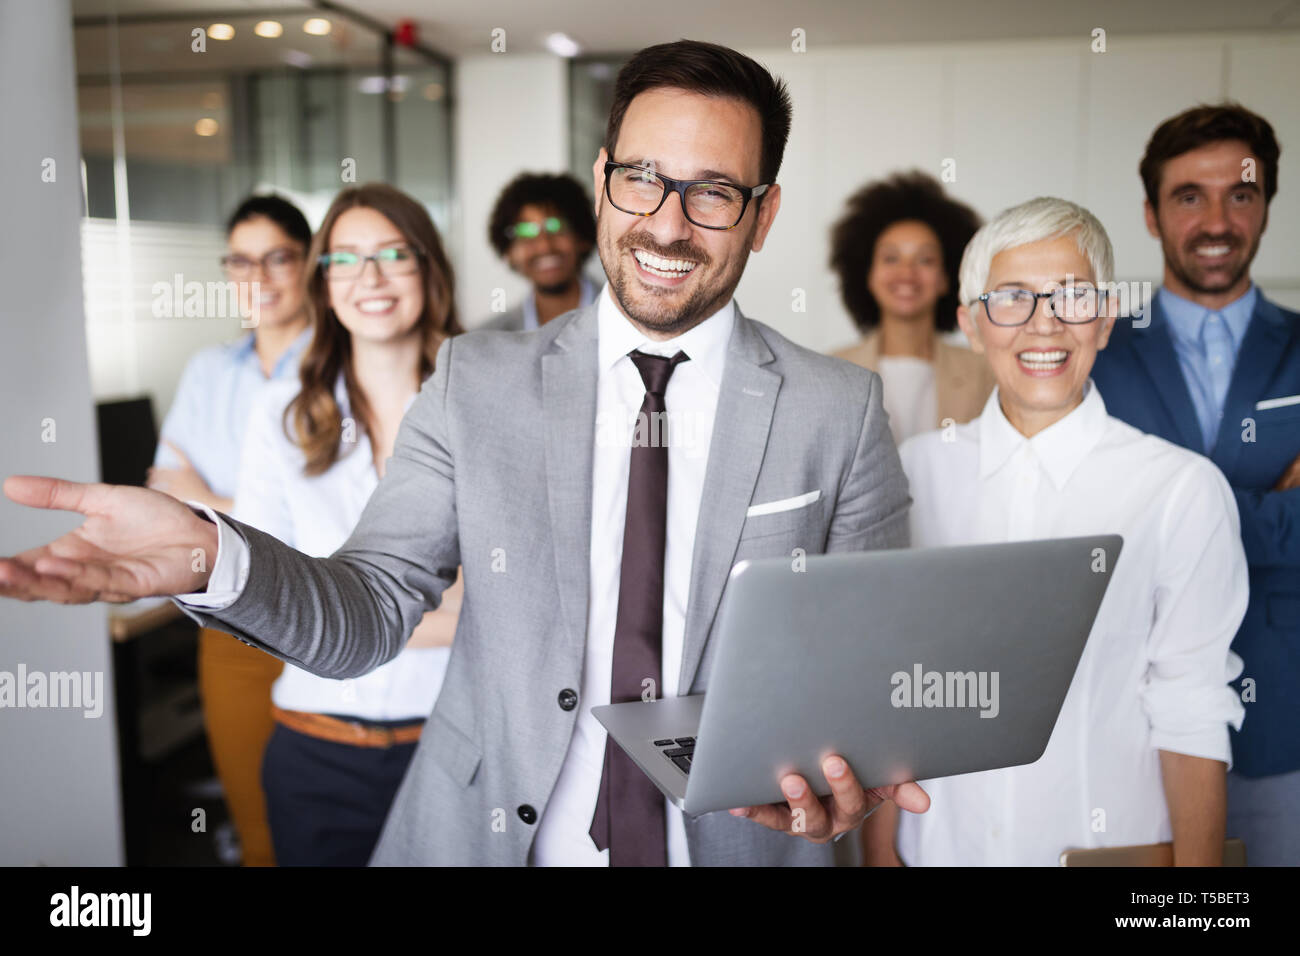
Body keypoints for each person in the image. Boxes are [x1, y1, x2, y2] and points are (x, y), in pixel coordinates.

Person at [0, 39, 928, 867]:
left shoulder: (838, 408)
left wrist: (842, 786)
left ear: (762, 216)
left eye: (714, 191)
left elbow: (865, 671)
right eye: (642, 177)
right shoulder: (476, 380)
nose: (668, 223)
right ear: (604, 177)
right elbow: (367, 609)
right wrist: (213, 552)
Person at [861, 197, 1248, 867]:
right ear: (972, 324)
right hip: (938, 854)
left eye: (1072, 299)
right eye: (1012, 299)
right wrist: (879, 853)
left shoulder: (1180, 490)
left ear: (1103, 321)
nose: (1044, 326)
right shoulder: (911, 474)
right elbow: (887, 682)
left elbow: (1192, 706)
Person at [1091, 104, 1300, 866]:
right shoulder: (1096, 356)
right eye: (1189, 196)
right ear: (1151, 214)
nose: (1217, 219)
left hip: (1284, 718)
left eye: (1240, 193)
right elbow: (1089, 525)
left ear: (1267, 205)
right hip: (1128, 719)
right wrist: (1273, 508)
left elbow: (1142, 525)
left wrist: (1167, 525)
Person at [239, 184, 464, 866]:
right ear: (325, 281)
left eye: (394, 254)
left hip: (458, 749)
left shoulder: (487, 403)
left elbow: (526, 596)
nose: (370, 278)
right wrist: (452, 610)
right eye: (346, 259)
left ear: (428, 269)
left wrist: (335, 605)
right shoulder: (280, 411)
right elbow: (268, 605)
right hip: (318, 753)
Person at [147, 194, 314, 867]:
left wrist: (208, 499)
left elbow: (330, 523)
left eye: (277, 257)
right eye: (242, 261)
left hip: (324, 625)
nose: (260, 277)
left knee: (337, 827)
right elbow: (163, 491)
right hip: (233, 629)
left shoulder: (346, 366)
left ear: (307, 264)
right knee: (258, 829)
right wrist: (249, 510)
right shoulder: (207, 372)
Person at [830, 172, 992, 443]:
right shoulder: (831, 371)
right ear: (867, 274)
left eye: (925, 260)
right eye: (891, 258)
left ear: (946, 278)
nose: (906, 273)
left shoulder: (985, 373)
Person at [479, 172, 598, 330]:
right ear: (509, 251)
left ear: (583, 238)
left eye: (557, 227)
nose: (545, 246)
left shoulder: (630, 321)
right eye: (526, 232)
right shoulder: (490, 339)